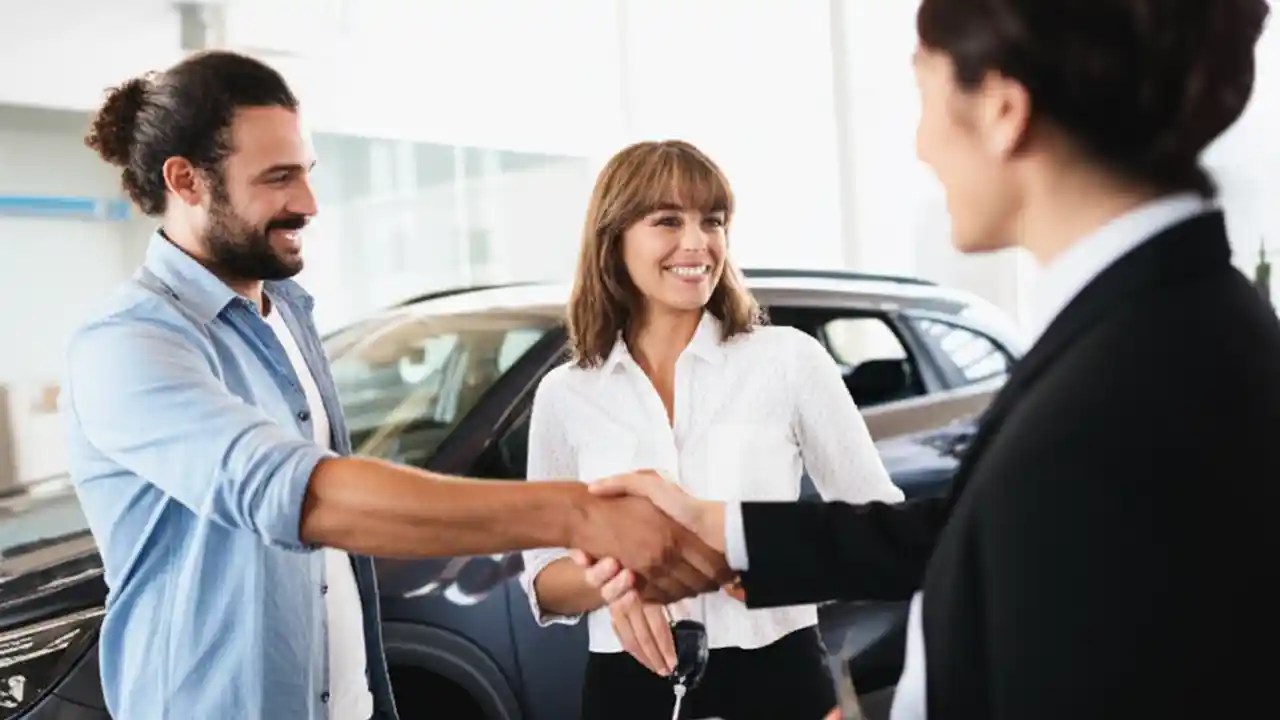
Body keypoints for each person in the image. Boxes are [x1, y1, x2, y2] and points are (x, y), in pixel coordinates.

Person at [578, 1, 1280, 718]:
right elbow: (968, 531)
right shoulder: (1154, 322)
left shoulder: (1133, 378)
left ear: (1005, 111)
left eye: (925, 94)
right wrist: (726, 530)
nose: (919, 144)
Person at [65, 50, 730, 720]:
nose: (309, 203)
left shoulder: (287, 310)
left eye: (307, 173)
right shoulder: (130, 344)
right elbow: (298, 495)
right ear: (185, 181)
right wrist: (581, 513)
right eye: (278, 178)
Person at [517, 140, 905, 720]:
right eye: (668, 221)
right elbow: (544, 579)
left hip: (780, 675)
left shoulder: (788, 361)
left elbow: (879, 530)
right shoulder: (567, 394)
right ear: (614, 237)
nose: (697, 242)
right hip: (629, 685)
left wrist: (759, 558)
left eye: (713, 221)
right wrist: (623, 579)